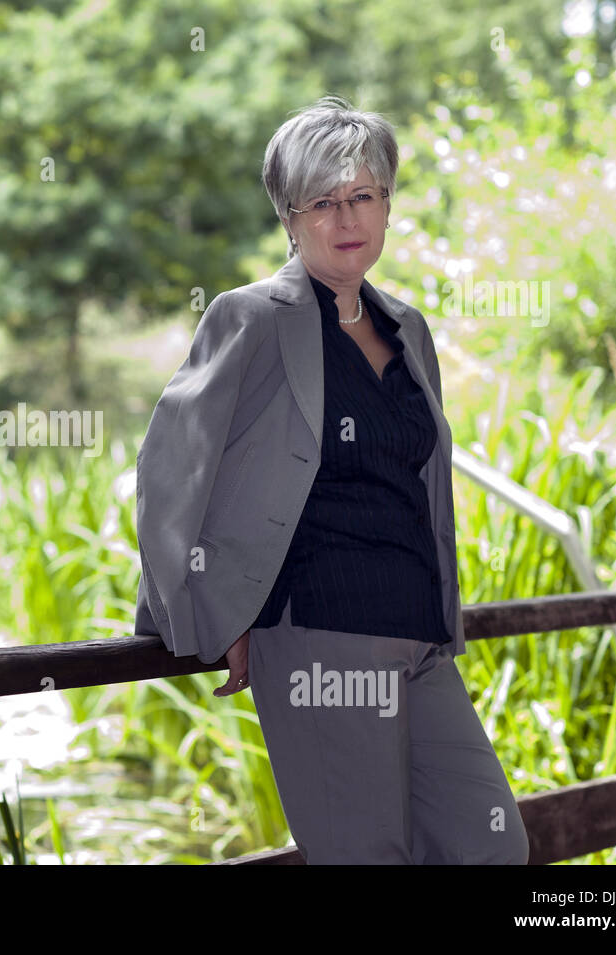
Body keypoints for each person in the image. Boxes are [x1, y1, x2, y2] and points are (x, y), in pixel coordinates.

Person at [133, 96, 528, 864]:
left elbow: (420, 482)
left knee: (492, 846)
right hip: (320, 637)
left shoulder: (406, 327)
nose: (348, 216)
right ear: (290, 214)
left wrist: (446, 617)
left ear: (385, 205)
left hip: (420, 633)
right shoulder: (249, 318)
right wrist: (216, 615)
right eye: (324, 201)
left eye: (364, 195)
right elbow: (170, 470)